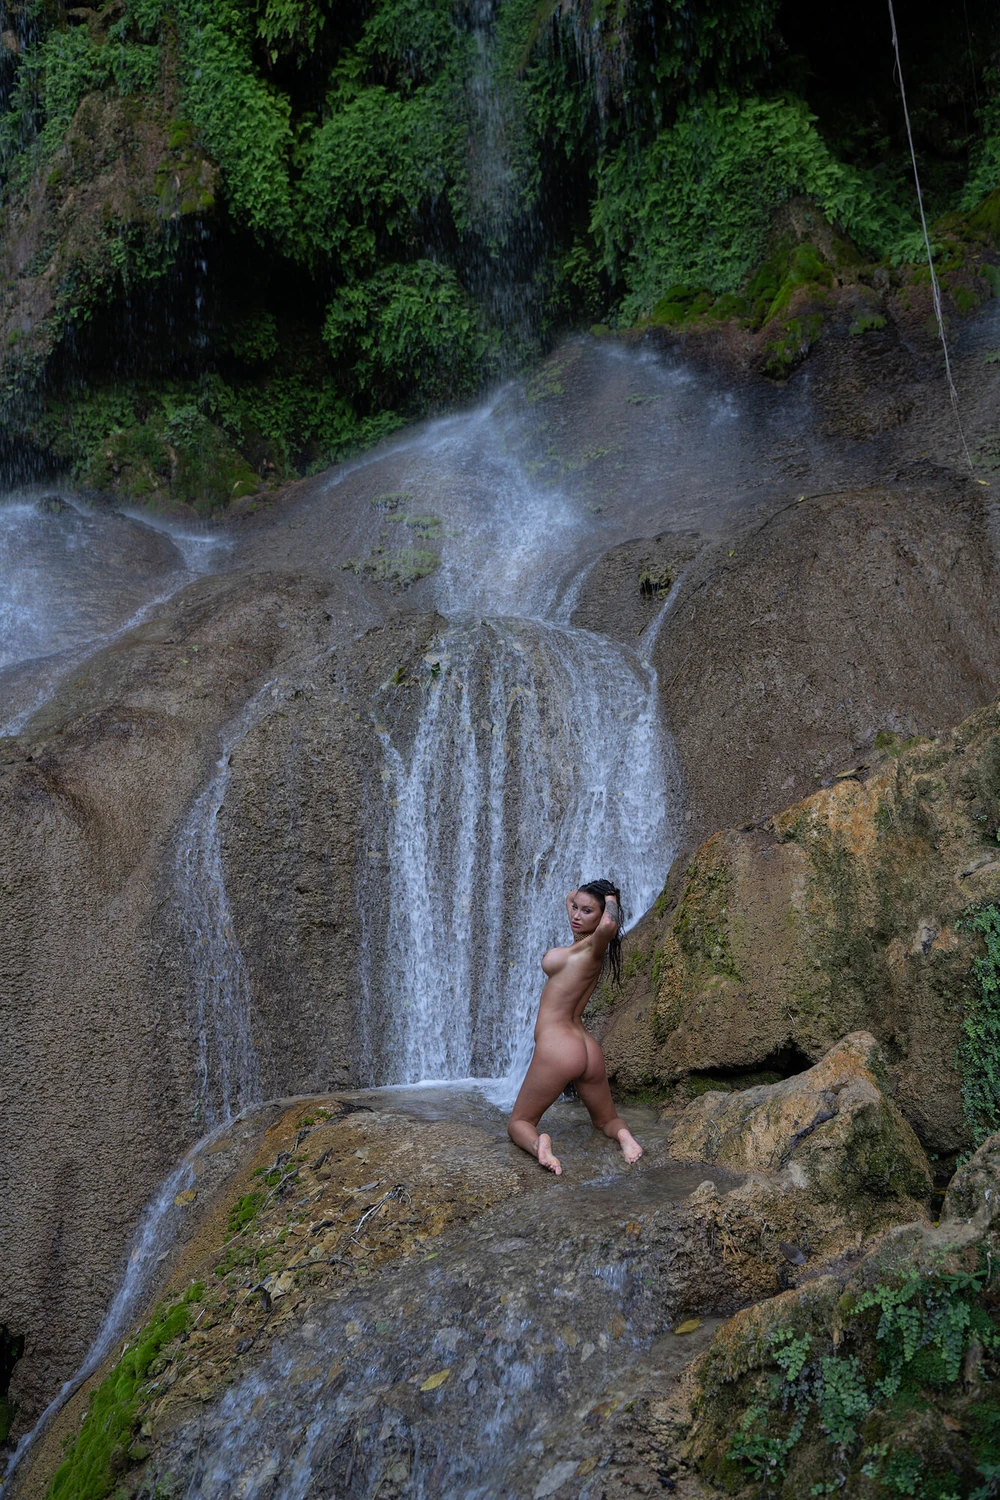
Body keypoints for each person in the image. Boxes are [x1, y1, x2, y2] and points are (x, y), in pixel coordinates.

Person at [507, 880, 643, 1175]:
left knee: (520, 1122)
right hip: (586, 1047)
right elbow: (571, 896)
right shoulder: (584, 944)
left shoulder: (594, 946)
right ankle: (624, 1137)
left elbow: (609, 924)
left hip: (559, 1045)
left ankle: (539, 1145)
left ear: (602, 916)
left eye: (586, 911)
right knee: (606, 1121)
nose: (576, 915)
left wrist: (611, 897)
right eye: (576, 909)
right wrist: (593, 898)